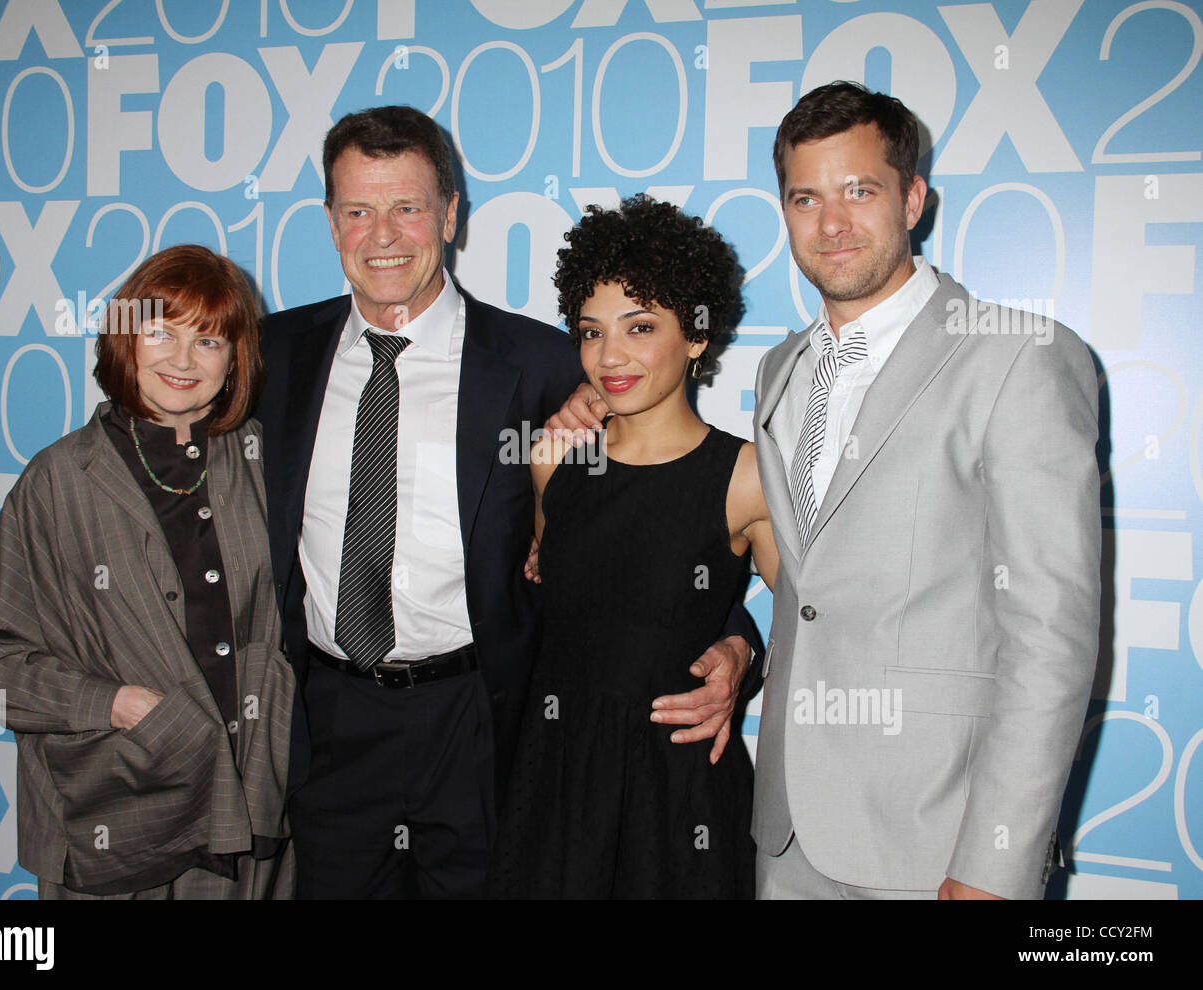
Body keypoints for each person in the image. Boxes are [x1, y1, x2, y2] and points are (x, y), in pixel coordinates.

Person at [551, 82, 1100, 900]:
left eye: (860, 191)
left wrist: (994, 864)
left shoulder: (1017, 359)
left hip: (935, 839)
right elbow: (801, 586)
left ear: (914, 198)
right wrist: (740, 646)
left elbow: (1052, 636)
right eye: (805, 197)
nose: (831, 223)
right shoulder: (782, 371)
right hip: (782, 830)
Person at [255, 105, 758, 898]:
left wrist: (732, 643)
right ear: (329, 221)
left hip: (486, 727)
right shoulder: (273, 357)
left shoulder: (547, 364)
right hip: (331, 726)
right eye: (358, 210)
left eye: (407, 207)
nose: (382, 234)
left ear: (451, 215)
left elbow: (651, 523)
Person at [0, 245, 295, 899]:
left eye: (210, 340)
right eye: (161, 331)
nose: (183, 360)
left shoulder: (262, 462)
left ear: (236, 358)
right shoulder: (58, 480)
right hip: (116, 814)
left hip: (252, 818)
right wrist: (117, 706)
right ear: (124, 337)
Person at [489, 195, 776, 898]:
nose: (609, 356)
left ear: (698, 336)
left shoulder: (746, 476)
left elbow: (820, 626)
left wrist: (743, 653)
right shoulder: (553, 456)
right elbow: (563, 591)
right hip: (555, 774)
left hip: (678, 784)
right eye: (590, 332)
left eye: (640, 326)